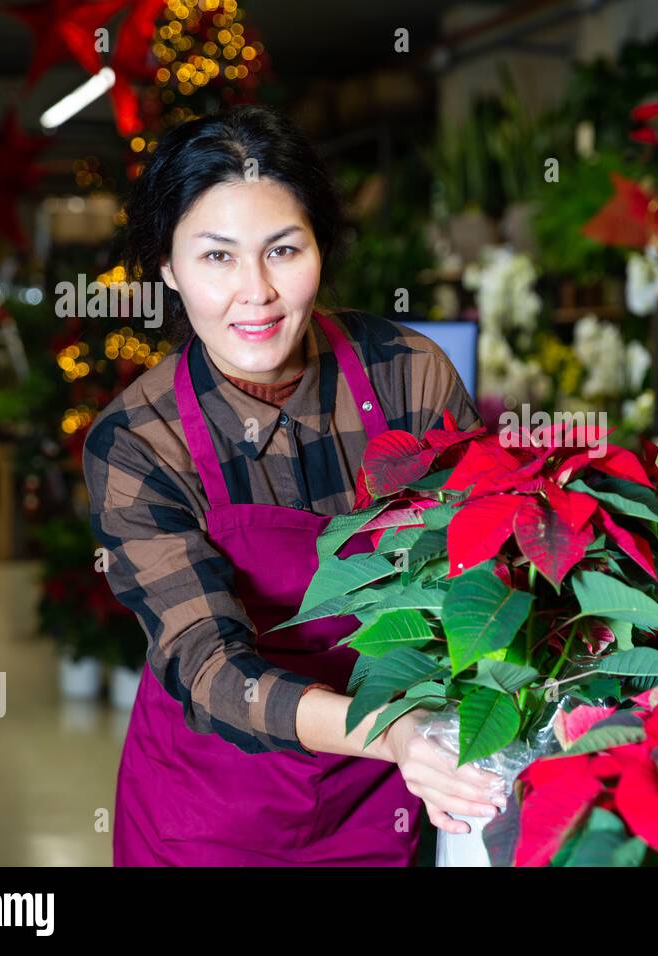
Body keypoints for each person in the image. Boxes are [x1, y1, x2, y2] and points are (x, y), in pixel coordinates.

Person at [82, 105, 504, 866]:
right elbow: (206, 667)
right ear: (169, 269)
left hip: (392, 797)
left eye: (283, 249)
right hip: (212, 812)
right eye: (216, 257)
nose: (257, 293)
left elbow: (483, 570)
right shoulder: (140, 440)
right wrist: (394, 731)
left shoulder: (407, 374)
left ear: (321, 246)